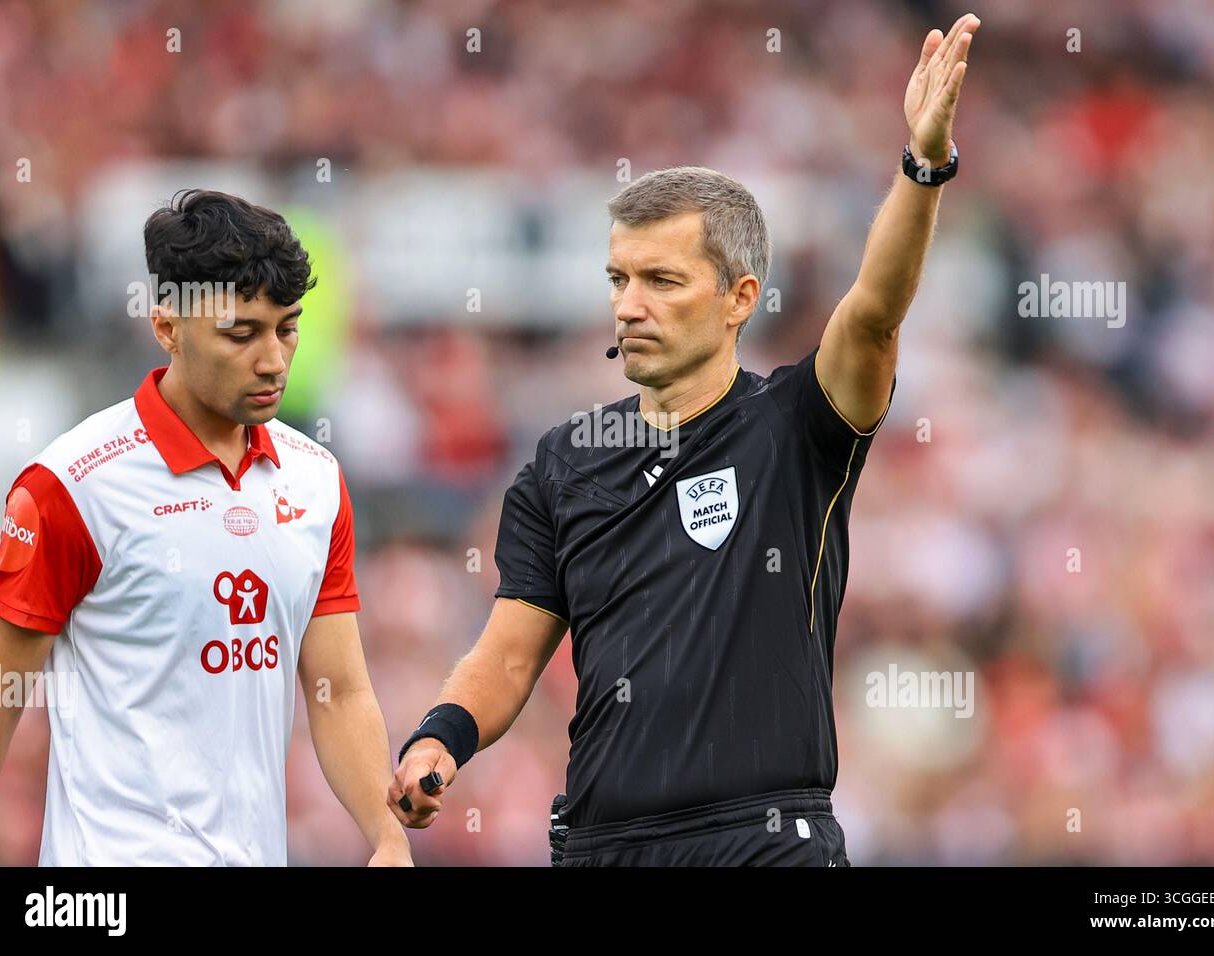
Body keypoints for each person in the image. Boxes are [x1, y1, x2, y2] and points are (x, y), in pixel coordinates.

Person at [388, 14, 980, 865]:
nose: (630, 304)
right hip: (605, 846)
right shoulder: (564, 461)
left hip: (766, 842)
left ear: (740, 297)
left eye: (662, 280)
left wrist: (922, 167)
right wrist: (440, 737)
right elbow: (510, 657)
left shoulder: (795, 424)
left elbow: (875, 313)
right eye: (619, 280)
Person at [0, 189, 411, 866]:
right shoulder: (71, 485)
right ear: (167, 327)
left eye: (287, 328)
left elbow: (339, 690)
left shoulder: (316, 481)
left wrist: (385, 836)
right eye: (241, 334)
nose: (273, 360)